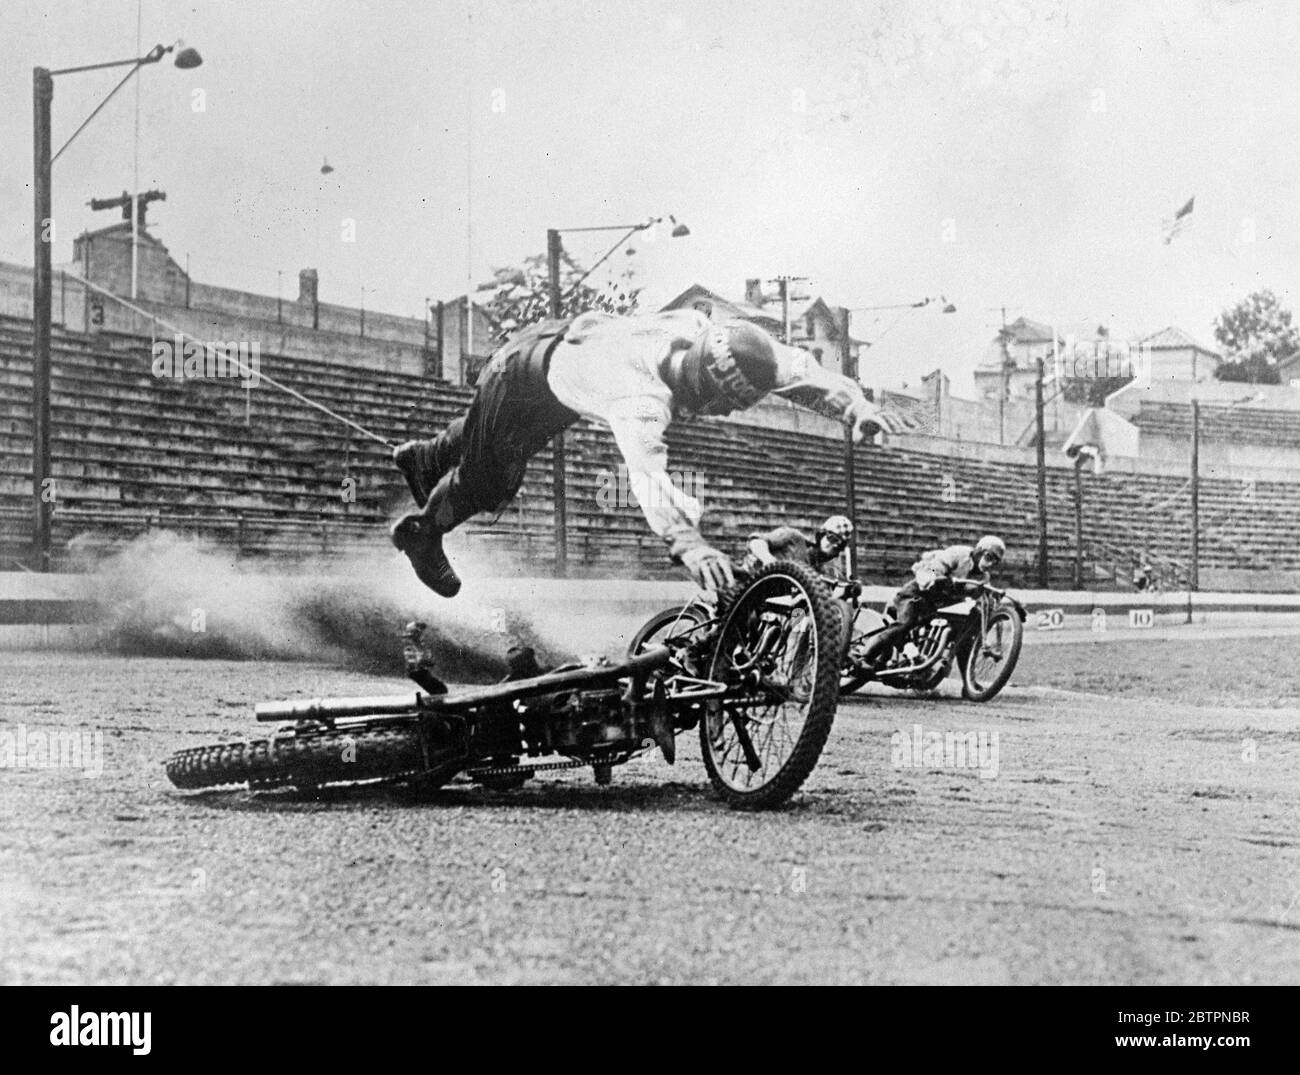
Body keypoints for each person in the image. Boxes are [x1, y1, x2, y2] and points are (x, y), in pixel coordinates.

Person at [390, 310, 899, 597]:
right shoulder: (640, 402)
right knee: (494, 479)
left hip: (564, 353)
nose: (724, 417)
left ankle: (427, 456)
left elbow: (797, 370)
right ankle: (424, 533)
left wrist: (856, 407)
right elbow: (648, 478)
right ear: (710, 393)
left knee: (495, 434)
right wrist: (688, 542)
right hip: (521, 375)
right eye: (726, 408)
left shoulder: (703, 330)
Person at [857, 535, 1006, 669]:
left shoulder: (983, 578)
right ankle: (865, 657)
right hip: (916, 595)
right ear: (979, 550)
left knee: (963, 635)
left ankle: (968, 684)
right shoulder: (958, 554)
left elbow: (982, 600)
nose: (990, 564)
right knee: (905, 624)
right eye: (988, 557)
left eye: (995, 562)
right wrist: (938, 576)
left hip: (935, 609)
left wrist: (994, 603)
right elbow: (934, 568)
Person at [741, 515, 855, 577]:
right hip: (751, 582)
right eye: (832, 538)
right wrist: (768, 559)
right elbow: (756, 541)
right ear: (822, 534)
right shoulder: (794, 538)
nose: (834, 545)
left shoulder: (821, 571)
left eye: (840, 545)